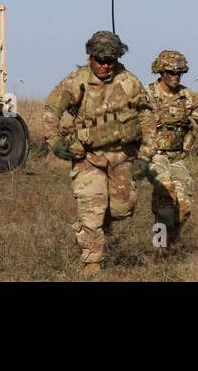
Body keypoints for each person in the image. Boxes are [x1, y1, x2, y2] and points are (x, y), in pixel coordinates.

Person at [42, 30, 156, 276]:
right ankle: (92, 262)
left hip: (122, 156)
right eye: (99, 60)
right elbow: (51, 109)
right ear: (90, 56)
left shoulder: (129, 82)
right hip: (87, 157)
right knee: (91, 208)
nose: (104, 66)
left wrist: (145, 157)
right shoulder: (75, 81)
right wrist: (54, 141)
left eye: (110, 61)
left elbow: (147, 117)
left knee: (121, 210)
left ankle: (92, 225)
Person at [146, 50, 198, 247]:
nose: (176, 77)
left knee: (184, 207)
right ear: (161, 72)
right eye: (171, 72)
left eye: (179, 73)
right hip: (154, 156)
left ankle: (168, 244)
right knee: (166, 193)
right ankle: (159, 247)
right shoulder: (146, 96)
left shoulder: (187, 97)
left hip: (177, 158)